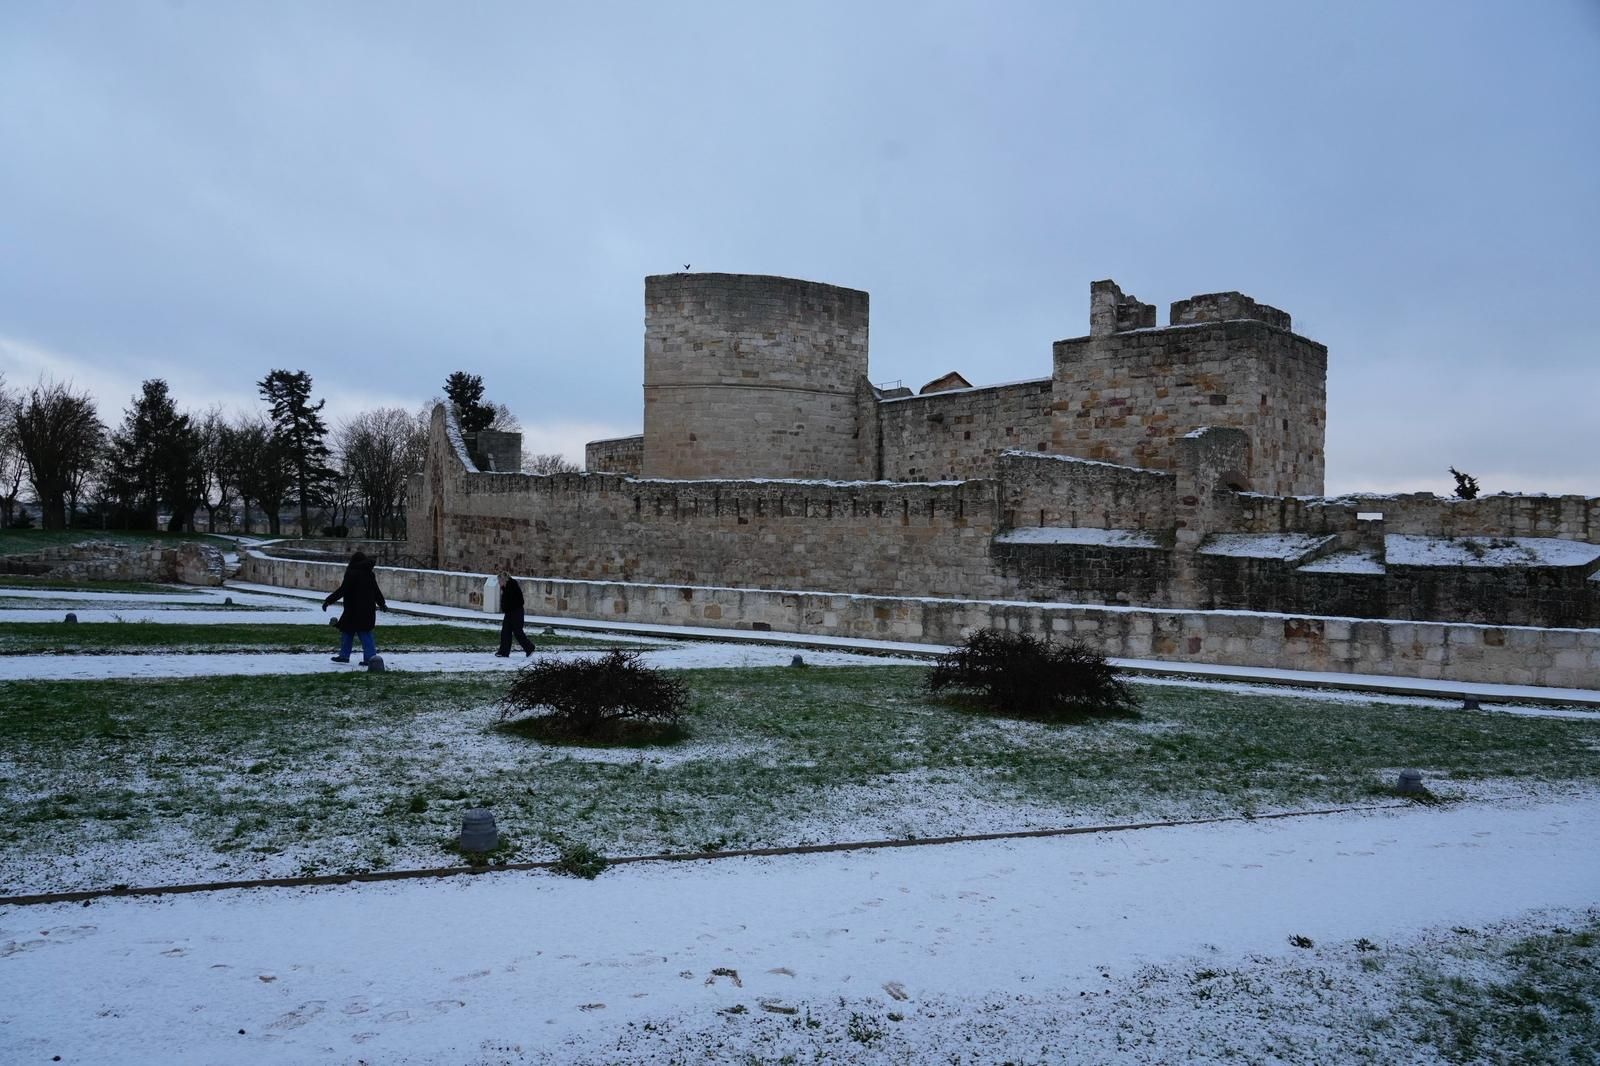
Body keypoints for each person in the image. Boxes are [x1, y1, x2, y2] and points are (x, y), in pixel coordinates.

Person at [322, 550, 387, 663]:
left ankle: (345, 656)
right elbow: (376, 591)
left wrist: (328, 601)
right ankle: (370, 658)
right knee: (364, 633)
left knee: (348, 632)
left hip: (352, 610)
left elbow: (343, 590)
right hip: (367, 609)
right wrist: (382, 603)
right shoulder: (369, 573)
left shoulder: (351, 573)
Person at [495, 570, 536, 657]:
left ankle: (529, 647)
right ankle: (503, 652)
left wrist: (509, 607)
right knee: (505, 632)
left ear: (504, 580)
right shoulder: (506, 587)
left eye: (499, 581)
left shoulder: (512, 586)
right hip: (510, 612)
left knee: (518, 632)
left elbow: (519, 600)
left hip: (516, 612)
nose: (498, 583)